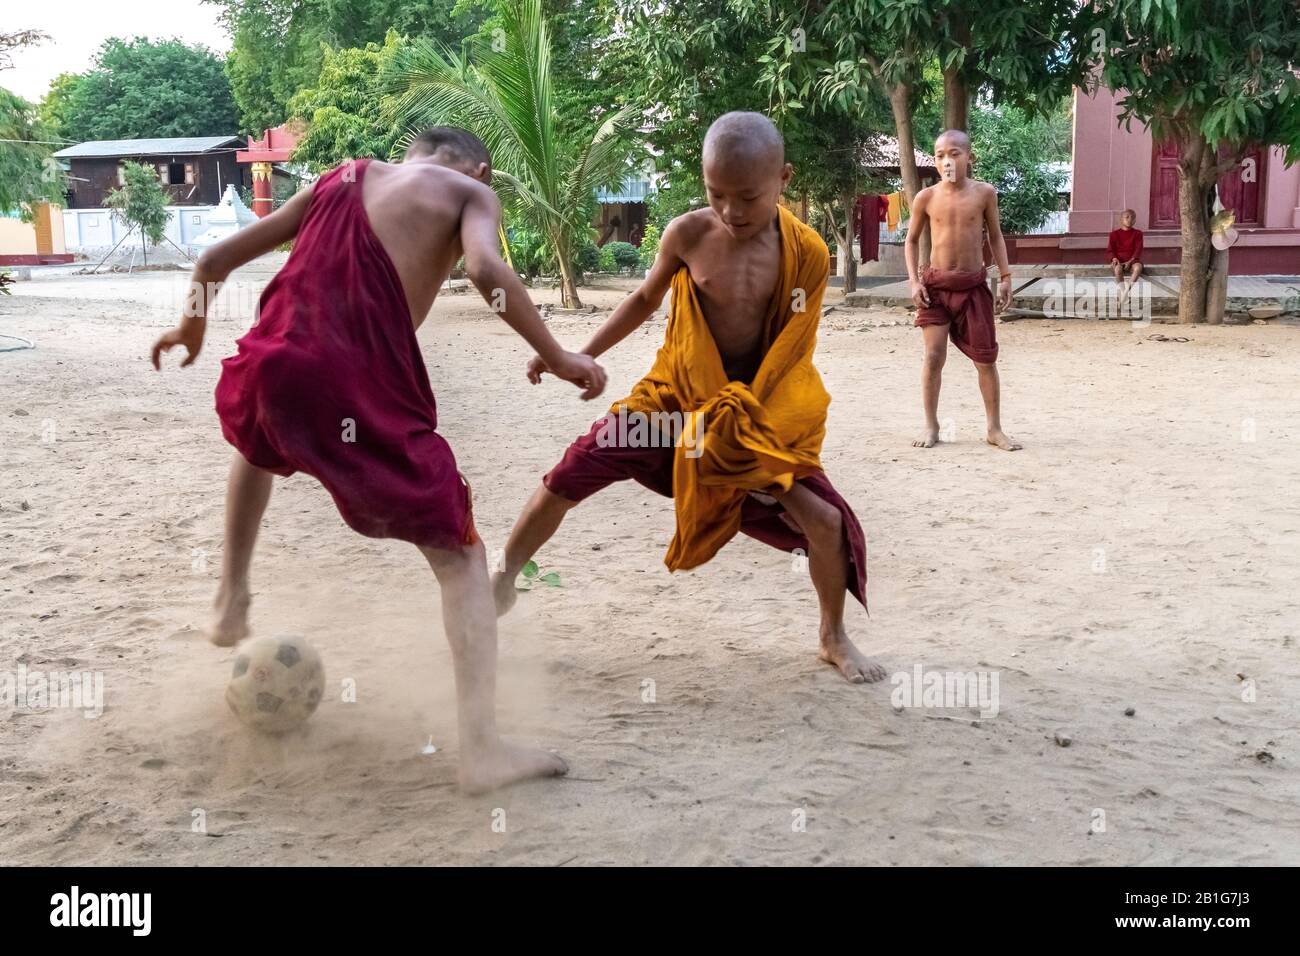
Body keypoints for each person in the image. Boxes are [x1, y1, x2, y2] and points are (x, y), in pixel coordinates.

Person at [150, 127, 607, 792]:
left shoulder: (336, 178)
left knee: (259, 444)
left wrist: (191, 324)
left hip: (274, 361)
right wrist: (561, 356)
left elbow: (213, 260)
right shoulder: (468, 193)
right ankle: (481, 751)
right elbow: (485, 271)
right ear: (481, 169)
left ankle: (230, 596)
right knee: (461, 557)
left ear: (413, 153)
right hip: (353, 378)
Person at [492, 111, 883, 685]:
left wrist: (748, 421)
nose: (732, 211)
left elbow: (790, 353)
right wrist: (577, 354)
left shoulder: (809, 255)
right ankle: (501, 577)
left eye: (748, 196)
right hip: (674, 400)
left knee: (826, 523)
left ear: (784, 180)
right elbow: (644, 300)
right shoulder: (687, 235)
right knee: (571, 471)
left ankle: (832, 635)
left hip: (753, 413)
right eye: (716, 193)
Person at [906, 129, 1021, 452]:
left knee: (986, 359)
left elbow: (995, 236)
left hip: (973, 286)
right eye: (940, 155)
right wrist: (914, 282)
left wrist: (1006, 276)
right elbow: (911, 240)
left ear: (970, 158)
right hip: (935, 288)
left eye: (954, 153)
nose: (946, 161)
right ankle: (931, 426)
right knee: (933, 356)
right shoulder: (925, 197)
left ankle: (994, 428)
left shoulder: (985, 193)